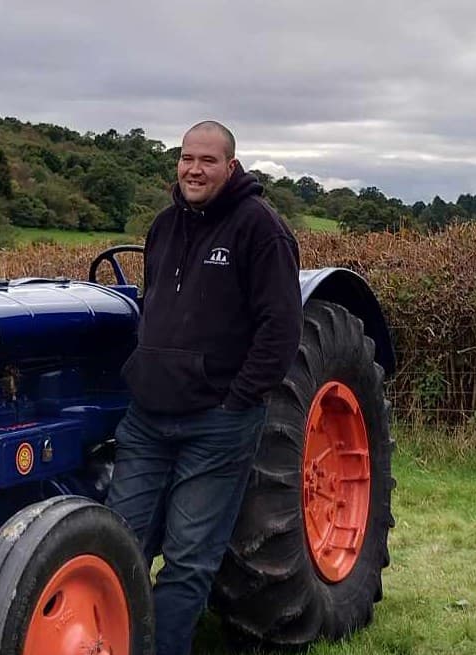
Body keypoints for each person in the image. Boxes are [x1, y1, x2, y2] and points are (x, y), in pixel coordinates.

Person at [106, 120, 302, 655]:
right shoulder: (165, 225)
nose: (194, 169)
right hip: (148, 416)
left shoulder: (260, 228)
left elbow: (281, 327)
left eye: (207, 160)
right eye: (187, 158)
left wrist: (237, 398)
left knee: (189, 558)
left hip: (216, 421)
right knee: (119, 541)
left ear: (230, 166)